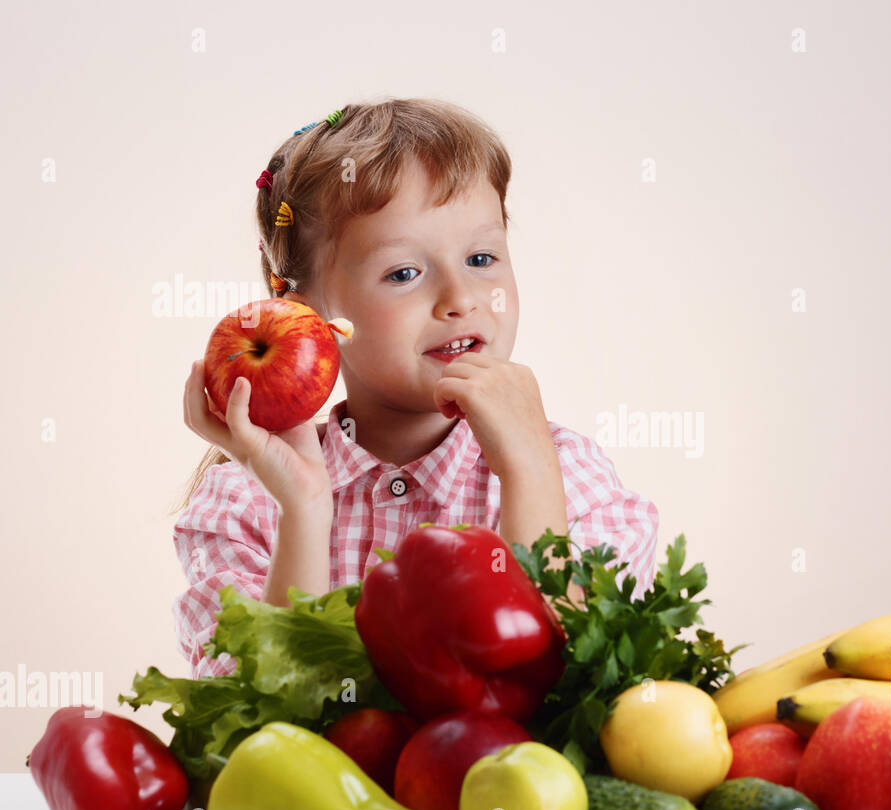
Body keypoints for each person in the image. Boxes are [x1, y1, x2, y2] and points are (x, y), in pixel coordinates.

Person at [172, 98, 659, 679]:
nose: (460, 298)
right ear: (310, 317)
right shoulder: (246, 504)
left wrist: (529, 473)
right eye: (404, 273)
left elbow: (577, 682)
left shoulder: (566, 473)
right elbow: (258, 720)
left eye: (481, 257)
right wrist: (303, 509)